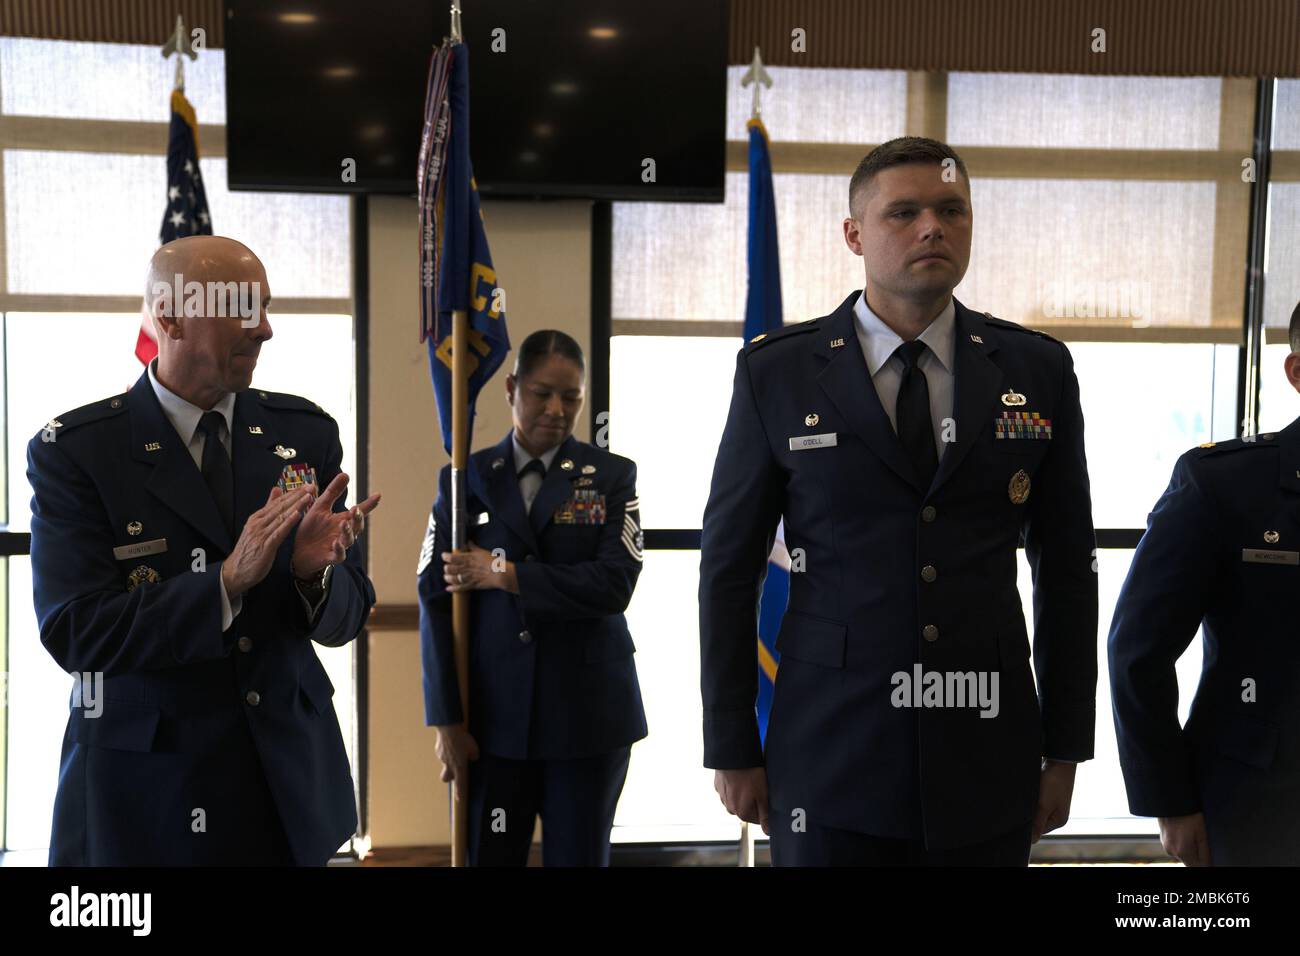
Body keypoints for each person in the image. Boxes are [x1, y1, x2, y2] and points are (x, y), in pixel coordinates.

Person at [699, 137, 1098, 866]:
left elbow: (1068, 571)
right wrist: (731, 744)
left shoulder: (1038, 370)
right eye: (904, 212)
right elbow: (728, 569)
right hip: (828, 753)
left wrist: (1067, 747)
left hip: (986, 748)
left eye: (952, 211)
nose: (932, 228)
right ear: (854, 234)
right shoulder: (778, 375)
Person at [29, 235, 379, 866]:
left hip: (287, 785)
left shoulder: (303, 433)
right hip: (149, 793)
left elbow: (350, 613)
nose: (266, 329)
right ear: (168, 317)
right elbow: (75, 630)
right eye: (244, 307)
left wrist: (309, 578)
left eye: (267, 307)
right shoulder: (77, 451)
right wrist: (222, 585)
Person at [418, 330, 647, 866]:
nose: (556, 409)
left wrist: (505, 573)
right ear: (511, 388)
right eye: (542, 392)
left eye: (572, 396)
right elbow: (433, 598)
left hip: (589, 720)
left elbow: (614, 584)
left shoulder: (610, 477)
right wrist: (446, 721)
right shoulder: (465, 480)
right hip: (494, 721)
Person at [1108, 303, 1300, 866]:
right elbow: (1137, 650)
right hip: (1256, 800)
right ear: (1296, 374)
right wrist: (1170, 800)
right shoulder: (1225, 485)